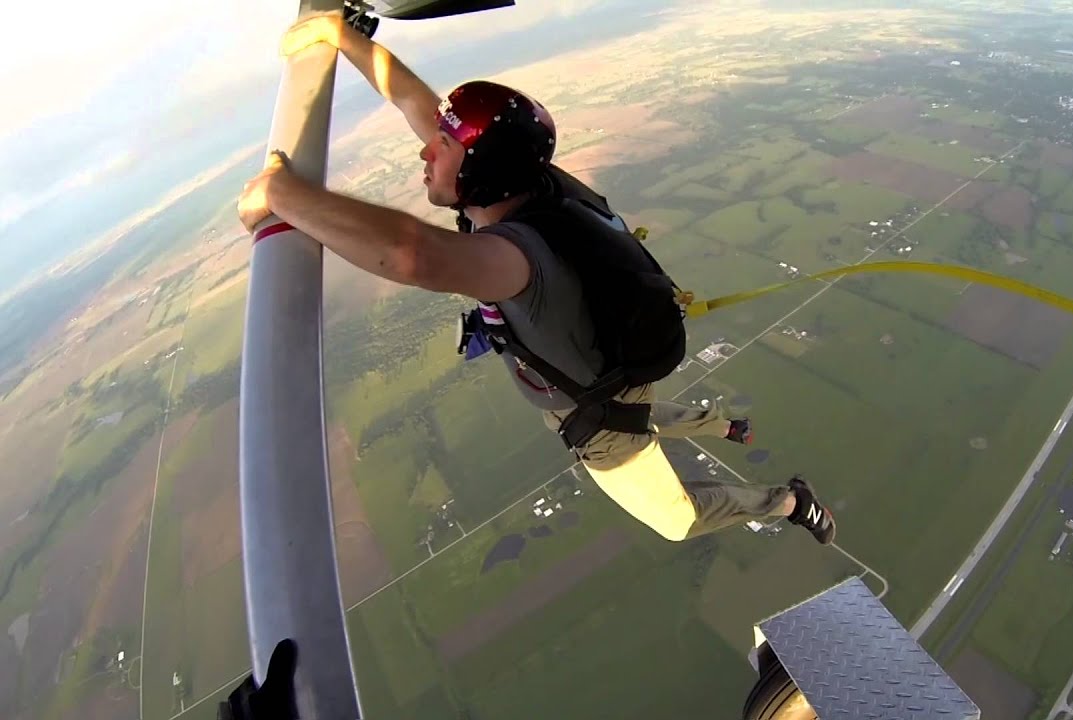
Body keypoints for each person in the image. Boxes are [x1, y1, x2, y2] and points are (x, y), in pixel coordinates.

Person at [237, 13, 836, 545]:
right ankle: (724, 424)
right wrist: (344, 37)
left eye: (441, 148)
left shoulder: (514, 257)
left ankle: (786, 501)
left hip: (596, 416)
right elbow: (418, 104)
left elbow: (407, 253)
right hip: (609, 365)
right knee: (638, 407)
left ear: (476, 168)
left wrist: (282, 194)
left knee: (675, 521)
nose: (425, 153)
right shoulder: (530, 185)